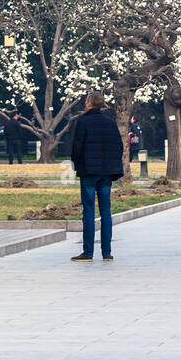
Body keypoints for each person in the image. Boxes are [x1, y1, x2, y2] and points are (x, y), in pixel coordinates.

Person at [70, 91, 124, 261]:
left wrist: (76, 162)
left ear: (88, 104)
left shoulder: (84, 121)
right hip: (106, 172)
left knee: (89, 211)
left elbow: (77, 147)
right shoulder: (110, 122)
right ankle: (106, 252)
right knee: (106, 211)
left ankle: (88, 252)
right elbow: (119, 146)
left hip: (89, 171)